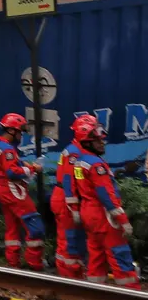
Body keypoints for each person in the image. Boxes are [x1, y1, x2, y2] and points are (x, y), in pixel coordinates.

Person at [73, 122, 141, 288]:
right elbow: (106, 195)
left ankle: (96, 293)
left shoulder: (80, 162)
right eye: (98, 140)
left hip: (88, 212)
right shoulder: (96, 165)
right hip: (103, 215)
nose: (102, 143)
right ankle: (130, 293)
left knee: (96, 256)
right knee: (119, 254)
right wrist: (123, 220)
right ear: (87, 142)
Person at [0, 113, 45, 270]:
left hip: (2, 189)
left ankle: (13, 265)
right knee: (35, 226)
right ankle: (34, 265)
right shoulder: (7, 149)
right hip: (13, 190)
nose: (22, 134)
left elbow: (7, 164)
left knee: (12, 228)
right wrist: (33, 168)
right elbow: (12, 172)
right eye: (20, 131)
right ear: (12, 131)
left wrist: (22, 163)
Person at [52, 115, 93, 279]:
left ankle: (72, 274)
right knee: (68, 239)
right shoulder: (74, 153)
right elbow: (69, 181)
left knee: (72, 239)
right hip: (65, 199)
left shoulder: (77, 150)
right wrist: (74, 207)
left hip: (66, 197)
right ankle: (68, 278)